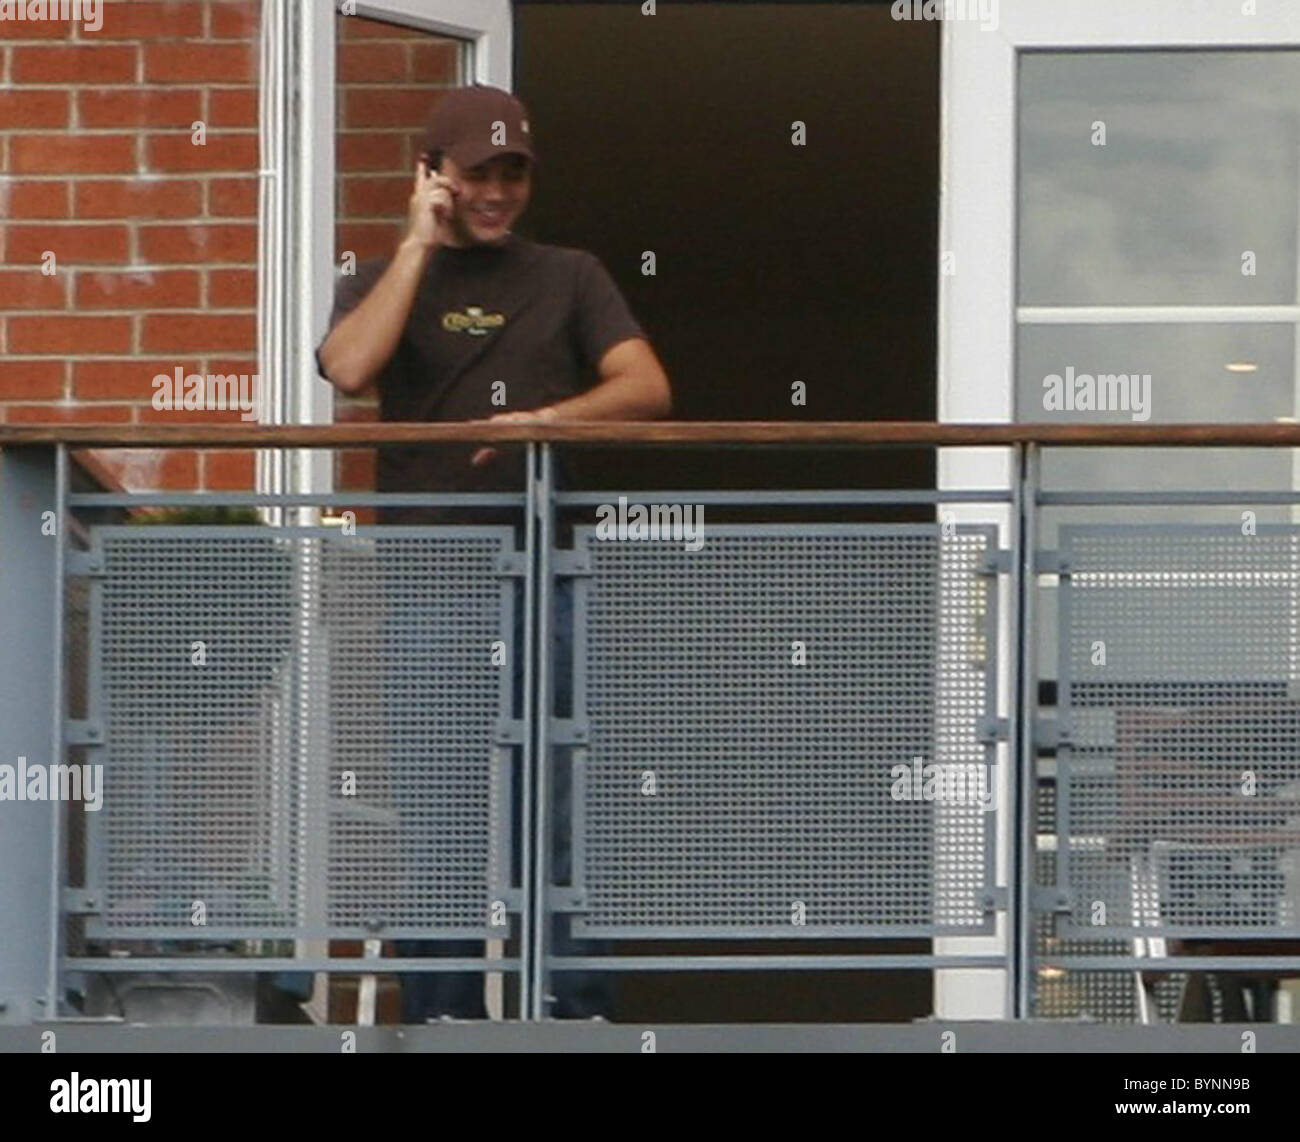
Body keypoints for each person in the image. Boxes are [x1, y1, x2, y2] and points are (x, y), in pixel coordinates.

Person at [315, 84, 672, 1020]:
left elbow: (646, 388)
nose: (499, 190)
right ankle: (442, 1016)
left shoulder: (572, 273)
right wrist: (416, 244)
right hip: (431, 580)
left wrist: (542, 425)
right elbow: (350, 369)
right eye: (478, 171)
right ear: (432, 174)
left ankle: (574, 1010)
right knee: (439, 813)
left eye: (514, 172)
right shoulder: (387, 274)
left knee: (561, 800)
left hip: (549, 576)